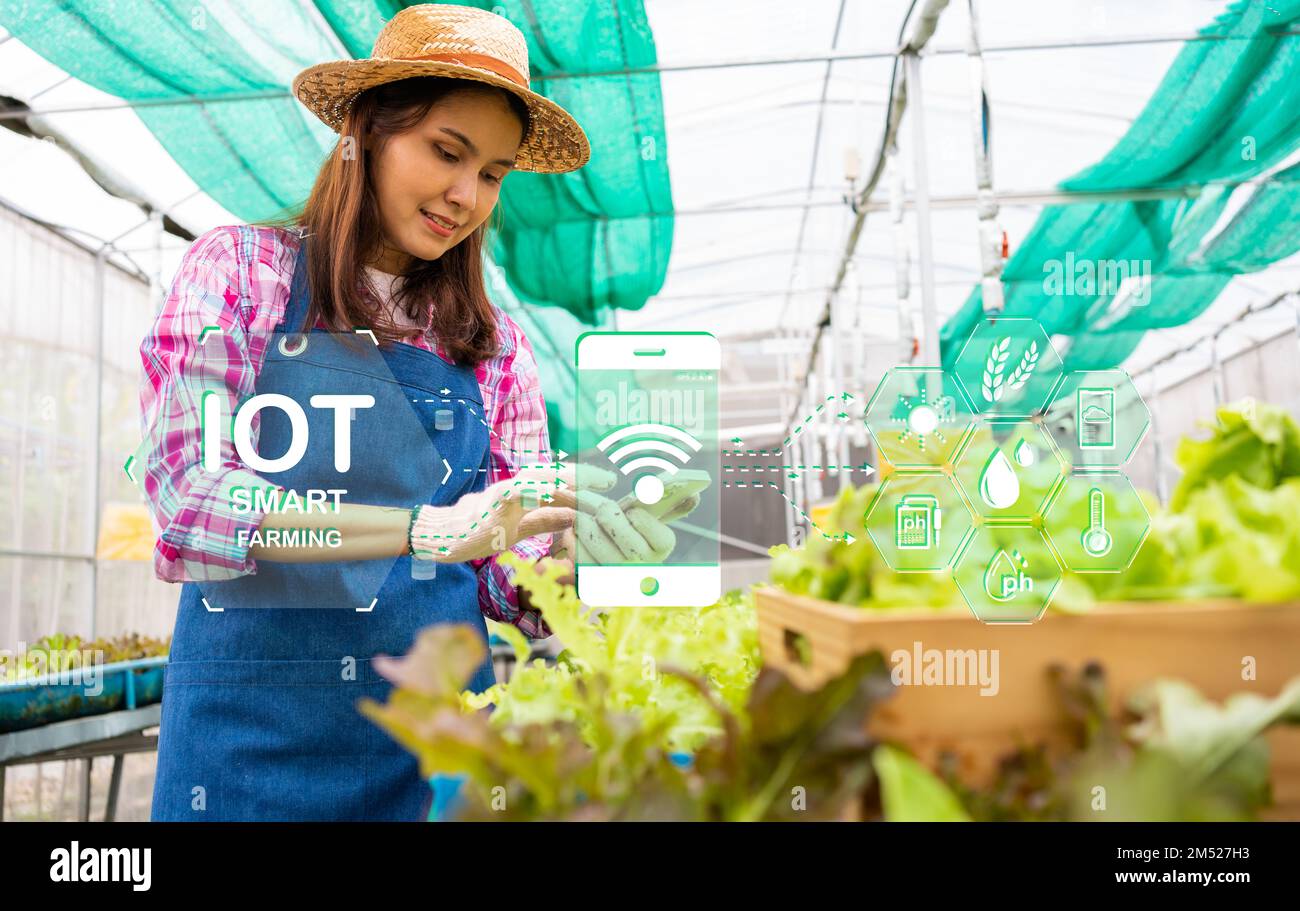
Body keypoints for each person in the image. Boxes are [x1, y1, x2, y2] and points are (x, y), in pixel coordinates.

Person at [139, 4, 686, 822]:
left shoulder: (492, 350)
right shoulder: (240, 274)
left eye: (494, 172)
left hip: (436, 762)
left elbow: (508, 571)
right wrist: (418, 529)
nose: (466, 196)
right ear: (367, 133)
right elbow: (190, 502)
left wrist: (575, 551)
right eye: (446, 151)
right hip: (244, 752)